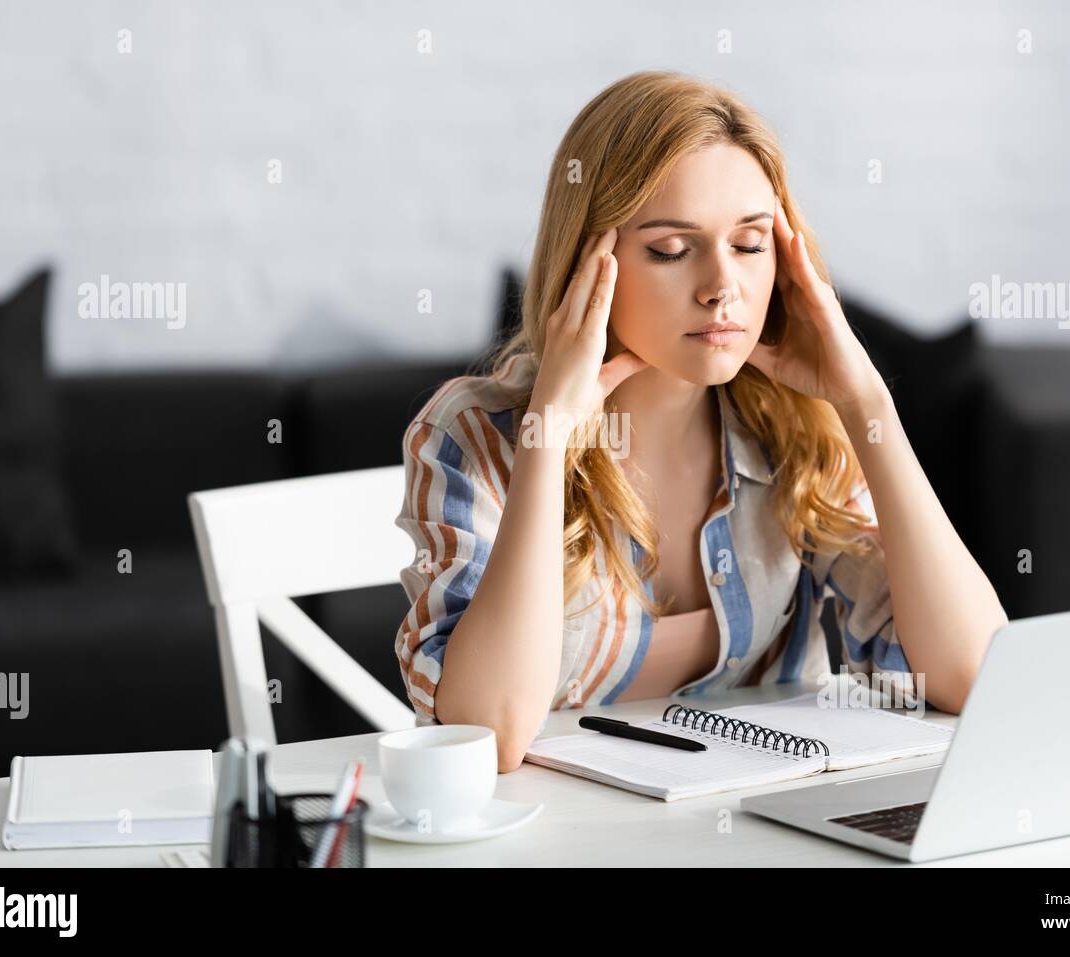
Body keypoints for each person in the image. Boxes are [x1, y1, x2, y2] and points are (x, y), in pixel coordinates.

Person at [394, 71, 1008, 772]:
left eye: (749, 245)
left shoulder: (793, 427)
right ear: (588, 264)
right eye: (671, 249)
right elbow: (488, 734)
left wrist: (867, 405)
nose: (722, 287)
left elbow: (971, 673)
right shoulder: (471, 436)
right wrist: (549, 436)